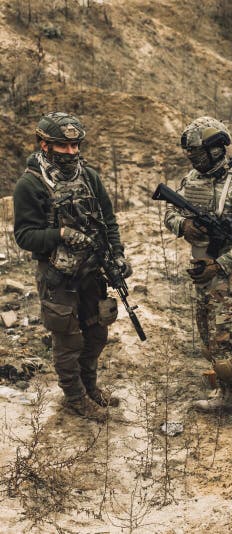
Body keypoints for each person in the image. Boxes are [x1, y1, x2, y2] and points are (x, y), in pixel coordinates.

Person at [13, 112, 132, 422]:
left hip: (92, 271)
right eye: (62, 147)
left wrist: (117, 255)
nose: (71, 152)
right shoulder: (31, 183)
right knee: (68, 341)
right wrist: (61, 234)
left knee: (97, 333)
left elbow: (108, 221)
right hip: (58, 275)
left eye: (75, 146)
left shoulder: (89, 176)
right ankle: (75, 398)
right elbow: (25, 236)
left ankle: (89, 388)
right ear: (43, 144)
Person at [163, 116, 232, 432]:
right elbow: (169, 213)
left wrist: (220, 265)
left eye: (197, 153)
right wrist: (184, 225)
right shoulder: (191, 181)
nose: (192, 159)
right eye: (189, 154)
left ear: (217, 149)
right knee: (208, 341)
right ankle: (224, 391)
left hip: (231, 277)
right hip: (203, 274)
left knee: (226, 345)